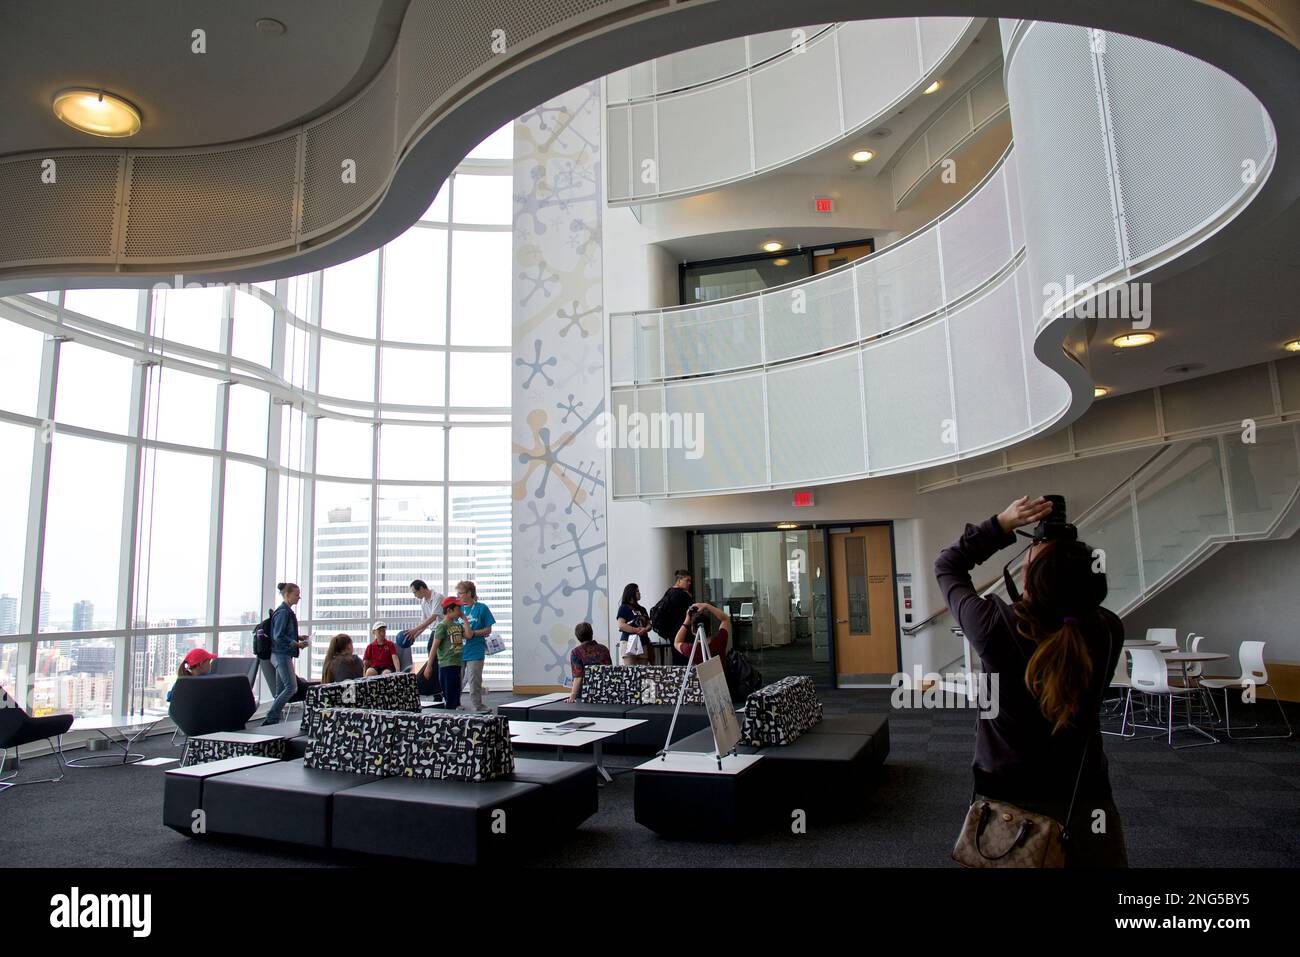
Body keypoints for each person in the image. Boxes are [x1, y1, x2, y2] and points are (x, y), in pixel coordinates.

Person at [935, 495, 1127, 868]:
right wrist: (1060, 560)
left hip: (1008, 802)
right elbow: (1074, 599)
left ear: (1028, 579)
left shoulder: (994, 626)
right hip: (1083, 796)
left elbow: (948, 564)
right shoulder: (1106, 629)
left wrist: (1003, 523)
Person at [264, 582, 310, 725]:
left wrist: (297, 637)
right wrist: (296, 644)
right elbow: (278, 636)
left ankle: (274, 721)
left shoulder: (285, 612)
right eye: (296, 595)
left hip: (280, 654)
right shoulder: (284, 612)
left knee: (280, 690)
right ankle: (271, 717)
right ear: (287, 595)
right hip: (281, 654)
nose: (299, 598)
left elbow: (283, 634)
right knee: (291, 687)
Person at [455, 580, 496, 713]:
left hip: (475, 650)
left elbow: (488, 629)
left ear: (469, 593)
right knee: (457, 679)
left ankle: (478, 705)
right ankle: (455, 702)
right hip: (458, 650)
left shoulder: (481, 608)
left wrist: (472, 634)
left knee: (474, 679)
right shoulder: (457, 609)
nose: (458, 596)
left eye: (461, 593)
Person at [429, 596, 466, 709]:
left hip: (457, 662)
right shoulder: (442, 626)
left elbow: (468, 635)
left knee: (456, 689)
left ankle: (455, 706)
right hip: (446, 664)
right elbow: (434, 647)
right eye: (458, 609)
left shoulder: (458, 625)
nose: (460, 611)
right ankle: (450, 712)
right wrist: (429, 665)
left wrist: (465, 619)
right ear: (449, 610)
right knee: (449, 691)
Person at [652, 569, 694, 665]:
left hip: (672, 634)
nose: (689, 583)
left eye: (690, 581)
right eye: (687, 580)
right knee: (685, 660)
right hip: (683, 632)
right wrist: (689, 598)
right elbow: (691, 612)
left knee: (676, 659)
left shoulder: (669, 592)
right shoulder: (682, 595)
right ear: (679, 580)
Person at [673, 602, 730, 668]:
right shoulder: (719, 641)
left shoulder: (692, 649)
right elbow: (725, 619)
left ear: (692, 630)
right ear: (710, 627)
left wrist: (687, 620)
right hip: (721, 678)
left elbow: (677, 642)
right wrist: (707, 606)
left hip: (701, 678)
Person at [567, 622, 612, 702]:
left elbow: (578, 677)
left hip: (586, 694)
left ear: (577, 636)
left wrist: (572, 697)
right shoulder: (604, 649)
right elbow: (610, 670)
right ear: (592, 633)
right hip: (606, 691)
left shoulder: (576, 652)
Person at [616, 583, 652, 665]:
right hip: (628, 641)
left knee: (643, 671)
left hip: (643, 642)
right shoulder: (624, 607)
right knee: (630, 672)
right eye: (637, 591)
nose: (639, 593)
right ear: (631, 593)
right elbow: (621, 625)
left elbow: (649, 624)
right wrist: (636, 630)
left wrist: (645, 629)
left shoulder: (642, 609)